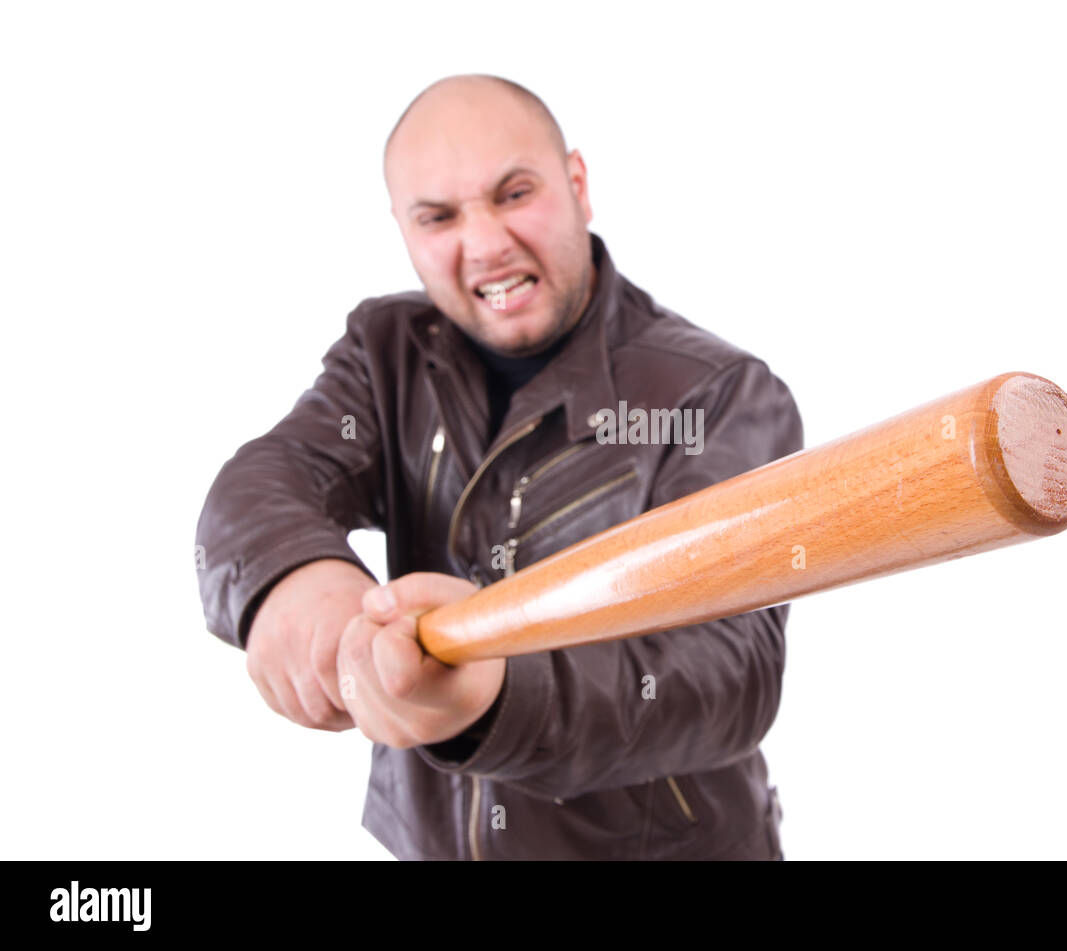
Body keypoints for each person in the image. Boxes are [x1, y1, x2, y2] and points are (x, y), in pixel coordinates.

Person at [195, 74, 803, 860]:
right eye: (438, 216)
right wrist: (291, 578)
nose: (484, 244)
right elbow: (271, 474)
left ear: (578, 185)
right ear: (402, 230)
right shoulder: (388, 352)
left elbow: (728, 674)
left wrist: (498, 690)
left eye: (514, 194)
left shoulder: (719, 395)